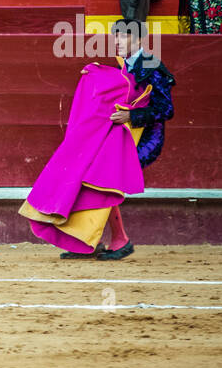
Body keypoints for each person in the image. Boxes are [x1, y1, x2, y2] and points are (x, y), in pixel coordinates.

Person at [22, 20, 174, 261]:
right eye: (116, 37)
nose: (117, 42)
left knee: (102, 177)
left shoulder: (152, 66)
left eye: (123, 37)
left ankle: (119, 240)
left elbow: (166, 109)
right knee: (93, 176)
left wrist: (131, 115)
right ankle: (91, 240)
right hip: (115, 135)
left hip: (143, 139)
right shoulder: (121, 66)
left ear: (139, 40)